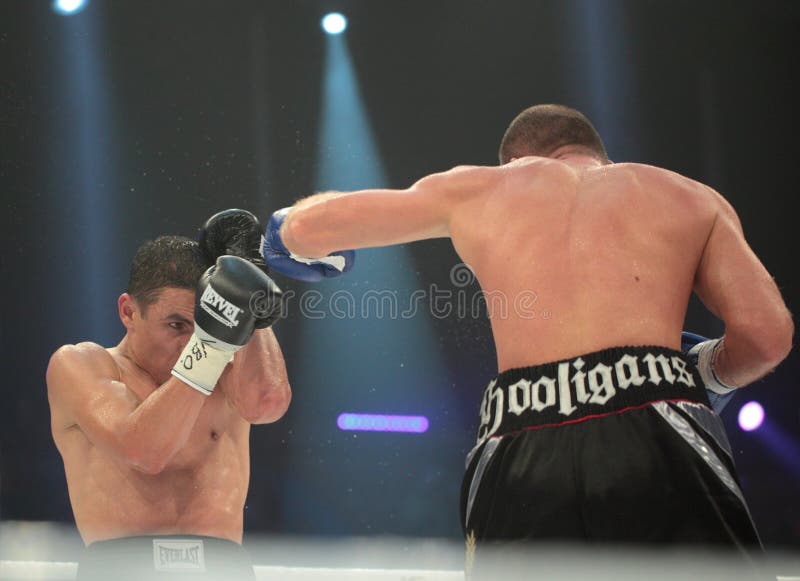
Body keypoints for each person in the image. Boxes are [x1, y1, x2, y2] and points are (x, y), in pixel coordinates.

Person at [260, 105, 793, 574]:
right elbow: (767, 337)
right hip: (659, 417)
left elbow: (303, 229)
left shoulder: (480, 188)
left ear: (514, 160)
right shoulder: (687, 196)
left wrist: (286, 237)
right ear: (597, 153)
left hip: (522, 434)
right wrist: (705, 372)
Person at [47, 211, 288, 581]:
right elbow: (144, 452)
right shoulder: (81, 365)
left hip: (222, 568)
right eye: (176, 325)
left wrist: (250, 299)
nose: (192, 340)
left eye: (203, 322)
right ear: (129, 311)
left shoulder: (225, 368)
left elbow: (268, 403)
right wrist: (213, 339)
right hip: (121, 569)